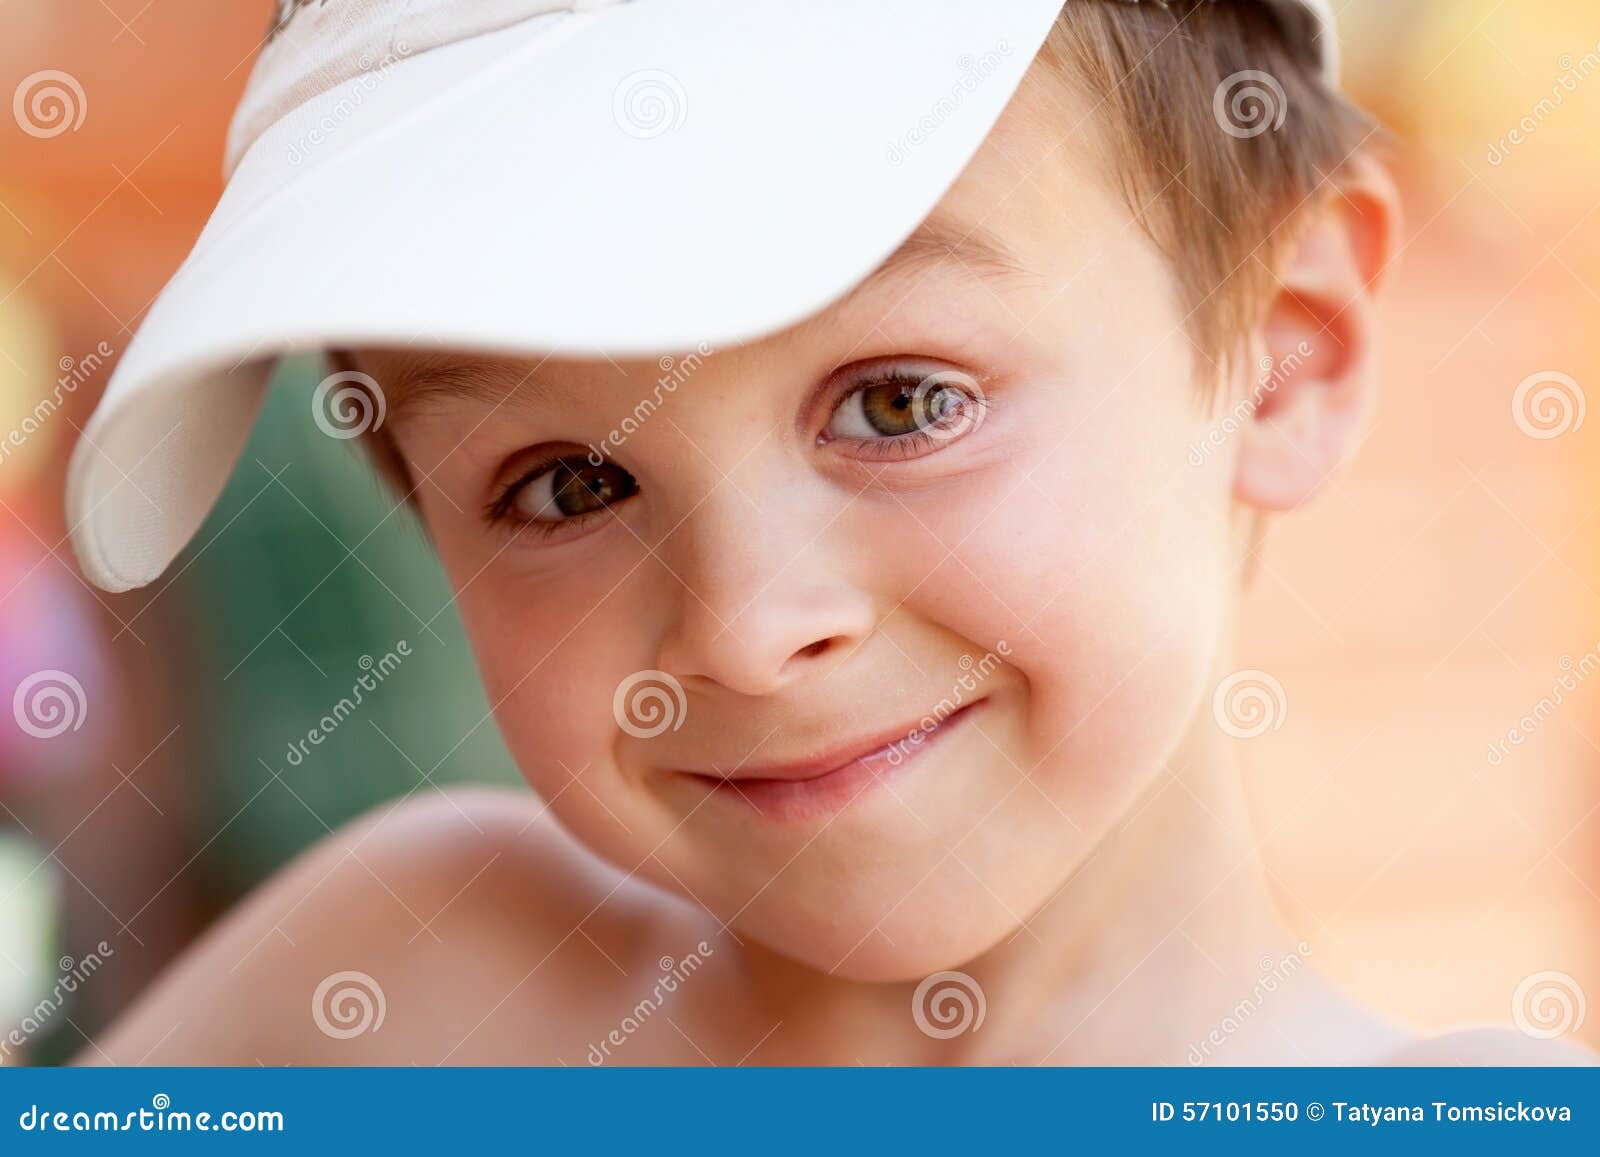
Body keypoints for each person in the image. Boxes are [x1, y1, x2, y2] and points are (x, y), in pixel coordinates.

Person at [67, 0, 1593, 1065]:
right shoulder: (390, 987)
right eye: (567, 485)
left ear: (1286, 348)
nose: (740, 623)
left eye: (901, 403)